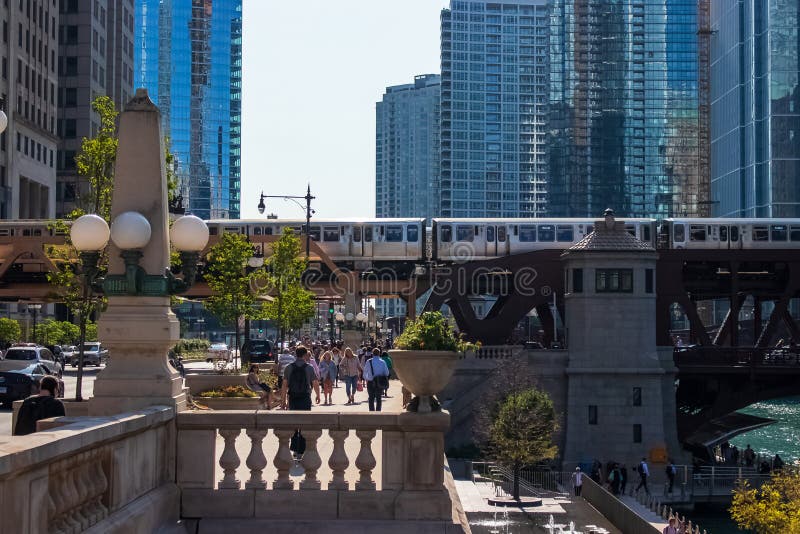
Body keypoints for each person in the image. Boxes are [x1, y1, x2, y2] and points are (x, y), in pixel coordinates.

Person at [280, 346, 320, 411]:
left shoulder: (288, 367)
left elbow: (284, 385)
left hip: (292, 398)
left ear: (296, 354)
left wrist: (283, 401)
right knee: (306, 419)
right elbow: (315, 383)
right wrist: (318, 395)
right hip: (305, 397)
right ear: (305, 355)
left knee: (293, 419)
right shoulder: (310, 367)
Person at [362, 348, 390, 412]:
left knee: (371, 398)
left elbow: (364, 373)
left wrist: (368, 378)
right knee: (378, 398)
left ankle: (371, 413)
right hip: (379, 382)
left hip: (371, 382)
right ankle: (378, 412)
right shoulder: (383, 362)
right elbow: (387, 373)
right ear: (379, 354)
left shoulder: (369, 361)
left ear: (372, 353)